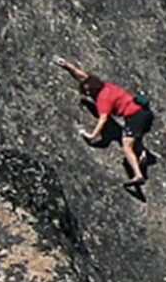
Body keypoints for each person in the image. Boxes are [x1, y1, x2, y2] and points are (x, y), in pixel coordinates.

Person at [54, 56, 154, 189]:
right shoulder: (105, 86)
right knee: (134, 136)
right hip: (145, 113)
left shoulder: (103, 99)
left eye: (89, 91)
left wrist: (92, 135)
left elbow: (103, 119)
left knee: (126, 146)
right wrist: (66, 65)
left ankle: (138, 175)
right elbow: (84, 77)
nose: (88, 93)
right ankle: (142, 153)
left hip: (135, 116)